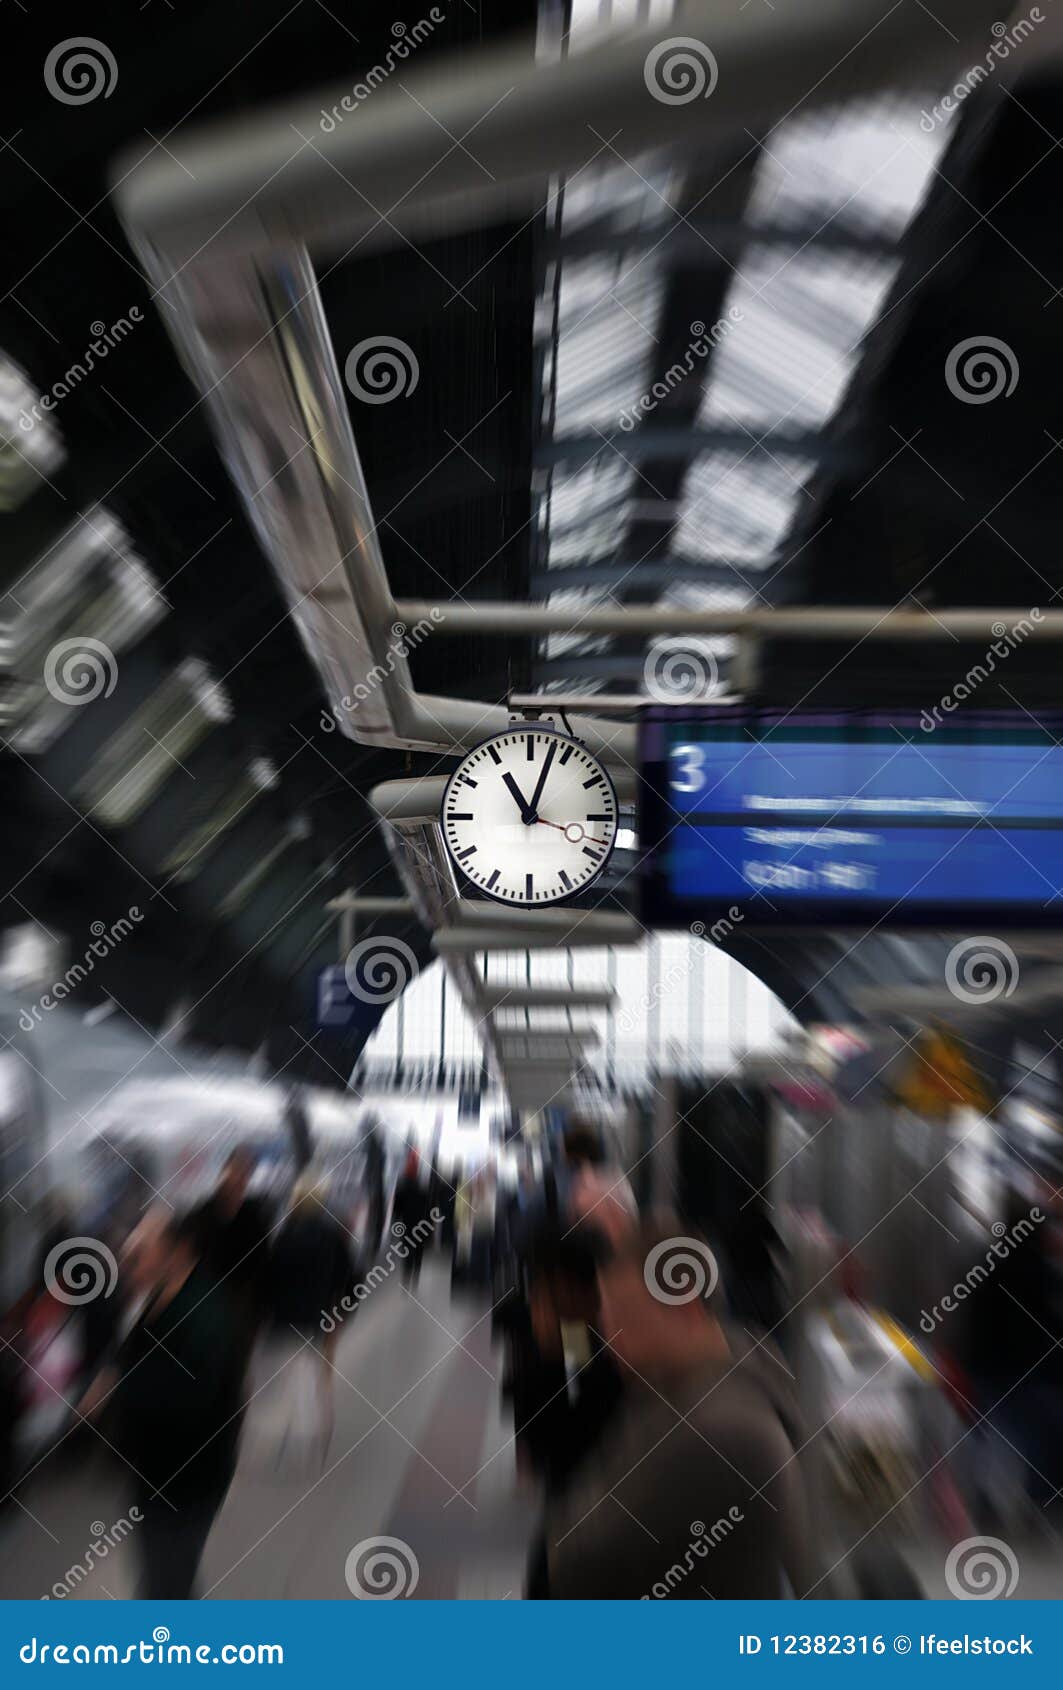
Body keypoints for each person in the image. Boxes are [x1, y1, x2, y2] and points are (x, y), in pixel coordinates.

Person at [534, 1214, 810, 1599]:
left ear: (687, 1308)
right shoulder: (739, 1355)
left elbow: (578, 1562)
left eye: (623, 1315)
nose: (608, 1332)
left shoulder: (715, 1431)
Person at [85, 1208, 244, 1599]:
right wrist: (111, 1376)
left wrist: (119, 1390)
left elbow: (193, 1402)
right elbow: (131, 1354)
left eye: (140, 1250)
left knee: (166, 1584)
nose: (128, 1259)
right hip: (156, 1475)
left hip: (187, 1481)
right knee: (165, 1578)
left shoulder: (204, 1315)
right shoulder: (153, 1298)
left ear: (178, 1251)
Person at [257, 1174, 356, 1463]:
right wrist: (343, 1310)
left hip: (286, 1314)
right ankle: (319, 1427)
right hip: (322, 1314)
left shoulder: (284, 1233)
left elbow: (270, 1277)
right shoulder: (333, 1234)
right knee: (316, 1369)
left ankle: (300, 1430)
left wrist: (264, 1312)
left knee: (291, 1369)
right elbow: (348, 1275)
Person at [194, 1147, 272, 1332]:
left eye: (245, 1173)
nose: (239, 1178)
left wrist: (261, 1305)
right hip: (208, 1302)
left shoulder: (255, 1214)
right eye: (235, 1170)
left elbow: (263, 1260)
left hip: (244, 1305)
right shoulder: (203, 1213)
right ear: (224, 1171)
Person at [562, 1125, 637, 1244]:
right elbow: (632, 1214)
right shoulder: (616, 1175)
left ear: (574, 1156)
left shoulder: (582, 1185)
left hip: (605, 1249)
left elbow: (573, 1223)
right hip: (628, 1244)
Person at [390, 1150, 431, 1287]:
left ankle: (406, 1278)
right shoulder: (423, 1184)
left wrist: (395, 1221)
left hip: (407, 1222)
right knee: (419, 1249)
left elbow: (397, 1205)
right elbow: (428, 1205)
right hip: (421, 1222)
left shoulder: (401, 1184)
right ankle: (415, 1278)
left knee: (407, 1249)